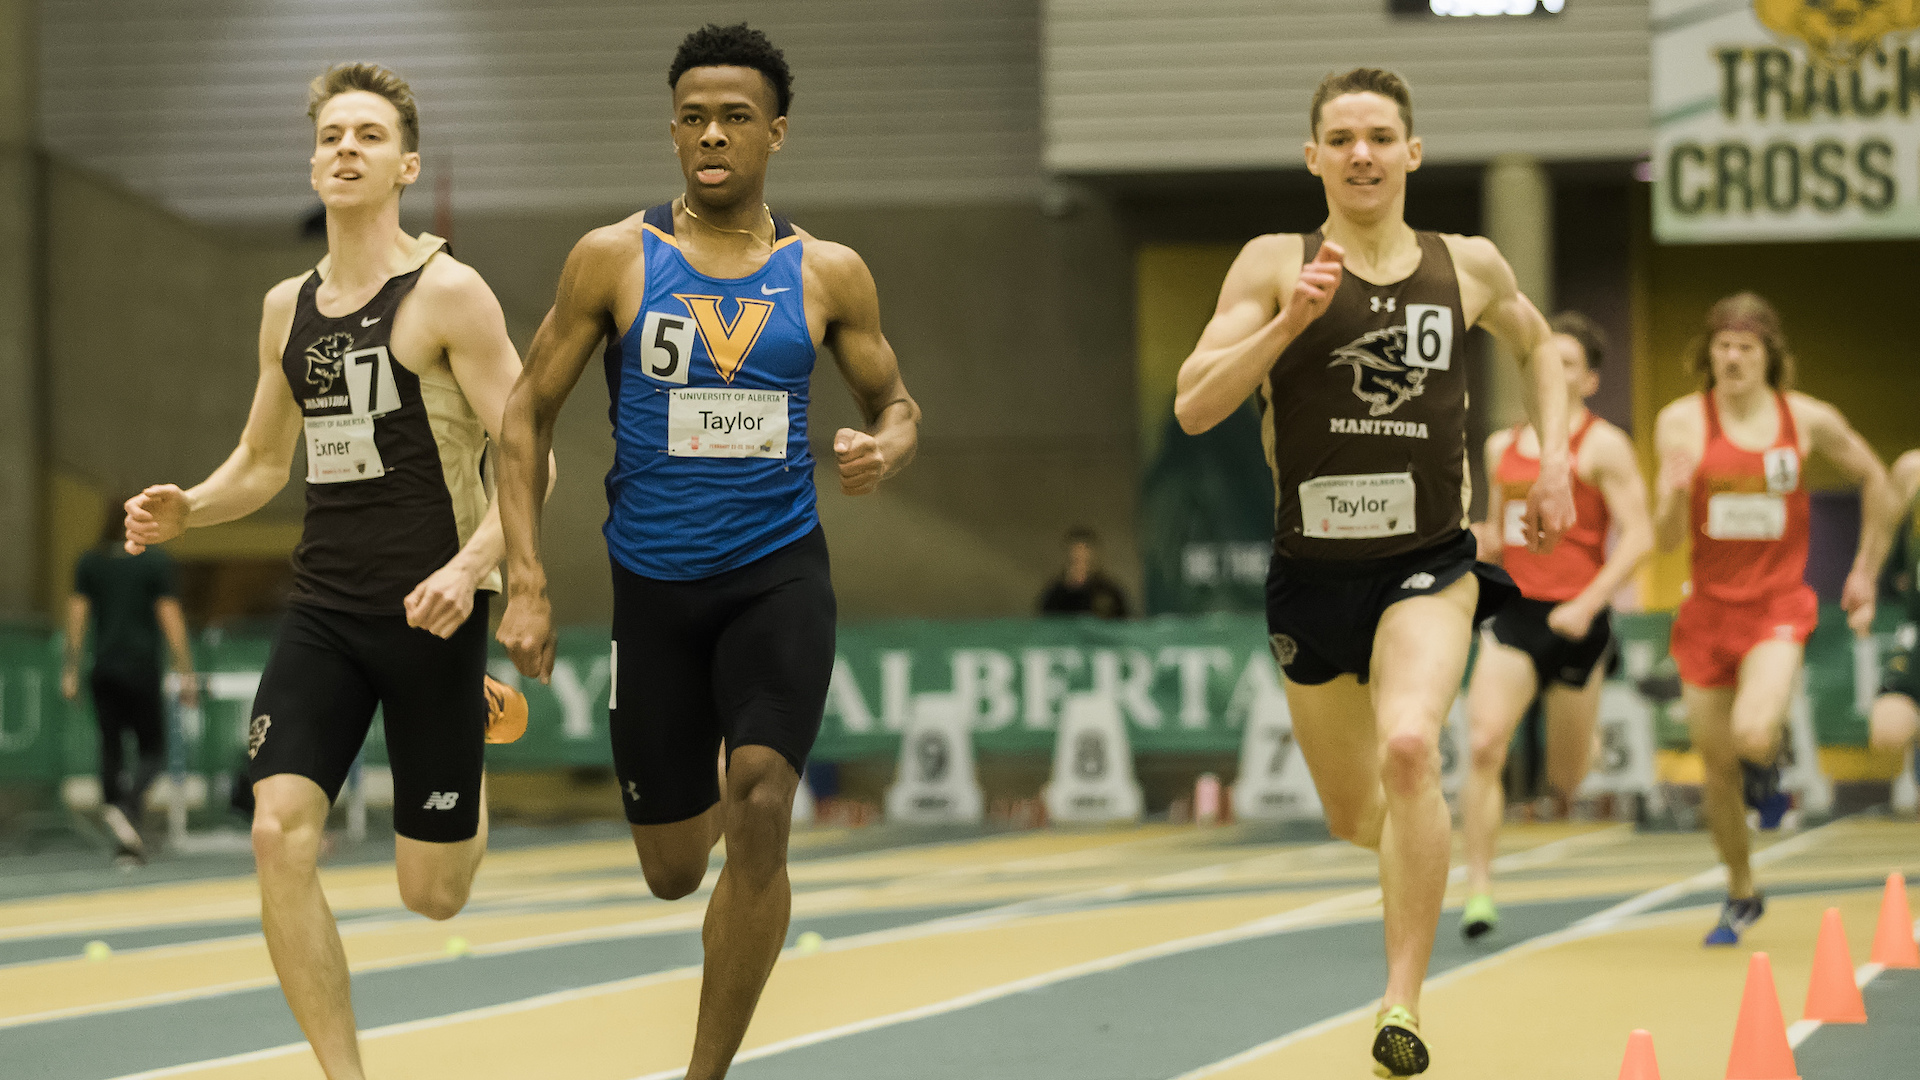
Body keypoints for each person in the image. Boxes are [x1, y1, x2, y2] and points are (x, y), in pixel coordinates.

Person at [493, 24, 920, 1080]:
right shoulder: (612, 257)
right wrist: (529, 580)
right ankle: (711, 868)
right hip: (654, 591)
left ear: (776, 133)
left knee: (764, 795)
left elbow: (897, 402)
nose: (712, 134)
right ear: (673, 131)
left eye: (735, 117)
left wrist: (884, 448)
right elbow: (521, 415)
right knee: (676, 870)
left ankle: (704, 1071)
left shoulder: (826, 273)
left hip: (778, 574)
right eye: (693, 117)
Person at [122, 63, 535, 1080]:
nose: (346, 147)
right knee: (278, 832)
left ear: (407, 164)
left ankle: (466, 744)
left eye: (368, 134)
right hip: (326, 612)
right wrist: (193, 506)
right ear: (315, 162)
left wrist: (477, 565)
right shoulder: (284, 309)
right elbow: (265, 462)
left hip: (436, 615)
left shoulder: (449, 293)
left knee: (429, 897)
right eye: (332, 135)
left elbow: (535, 458)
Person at [1172, 67, 1574, 1078]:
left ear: (1412, 153)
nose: (1362, 153)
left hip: (1430, 563)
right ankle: (1421, 860)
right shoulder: (1274, 262)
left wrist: (1555, 457)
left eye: (1380, 136)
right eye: (1341, 137)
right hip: (1313, 573)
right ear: (1314, 157)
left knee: (1409, 748)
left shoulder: (1467, 264)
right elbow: (1193, 406)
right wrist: (1287, 326)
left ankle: (1402, 1003)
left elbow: (1542, 348)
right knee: (1361, 816)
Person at [1652, 292, 1893, 947]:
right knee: (1717, 766)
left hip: (1778, 607)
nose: (1732, 358)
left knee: (1752, 733)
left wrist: (1865, 570)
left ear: (1768, 355)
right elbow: (1667, 535)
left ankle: (1770, 768)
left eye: (1746, 347)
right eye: (1722, 346)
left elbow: (1878, 479)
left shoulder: (1804, 418)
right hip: (1706, 613)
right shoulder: (1681, 422)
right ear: (1708, 354)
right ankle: (1741, 890)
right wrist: (1673, 491)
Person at [1459, 313, 1652, 939]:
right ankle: (1479, 890)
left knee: (1567, 779)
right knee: (1484, 745)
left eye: (1568, 362)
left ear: (1590, 380)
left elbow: (1641, 536)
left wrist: (1591, 602)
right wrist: (1475, 544)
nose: (1555, 371)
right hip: (1514, 613)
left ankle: (1584, 740)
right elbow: (1500, 533)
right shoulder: (1500, 447)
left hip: (1577, 618)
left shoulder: (1603, 446)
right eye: (1547, 360)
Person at [62, 502, 199, 863]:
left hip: (104, 668)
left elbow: (78, 615)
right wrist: (186, 671)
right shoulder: (154, 563)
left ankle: (121, 823)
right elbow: (169, 617)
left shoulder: (90, 563)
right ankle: (130, 808)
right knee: (153, 749)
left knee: (110, 747)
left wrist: (71, 669)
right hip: (141, 669)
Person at [1867, 450, 1920, 772]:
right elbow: (1883, 536)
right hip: (1917, 629)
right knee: (1888, 732)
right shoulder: (1912, 471)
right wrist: (1866, 580)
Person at [1037, 526, 1131, 618]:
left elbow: (1121, 626)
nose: (1079, 566)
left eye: (1084, 560)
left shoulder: (1109, 593)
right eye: (1075, 560)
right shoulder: (1054, 594)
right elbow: (1046, 624)